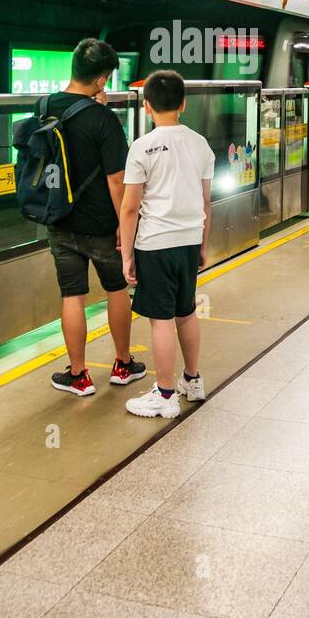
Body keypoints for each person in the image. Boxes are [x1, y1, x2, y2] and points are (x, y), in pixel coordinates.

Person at [46, 38, 146, 399]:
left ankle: (78, 375)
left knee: (71, 294)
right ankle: (122, 365)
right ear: (102, 81)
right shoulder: (104, 119)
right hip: (101, 223)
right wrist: (124, 223)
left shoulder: (45, 107)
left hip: (58, 218)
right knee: (116, 288)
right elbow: (117, 180)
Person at [119, 70, 214, 419]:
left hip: (155, 244)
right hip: (189, 240)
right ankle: (192, 380)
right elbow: (206, 203)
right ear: (183, 103)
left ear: (146, 107)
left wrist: (127, 255)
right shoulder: (200, 143)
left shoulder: (142, 147)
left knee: (160, 319)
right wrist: (203, 244)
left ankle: (164, 395)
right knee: (186, 311)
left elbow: (130, 208)